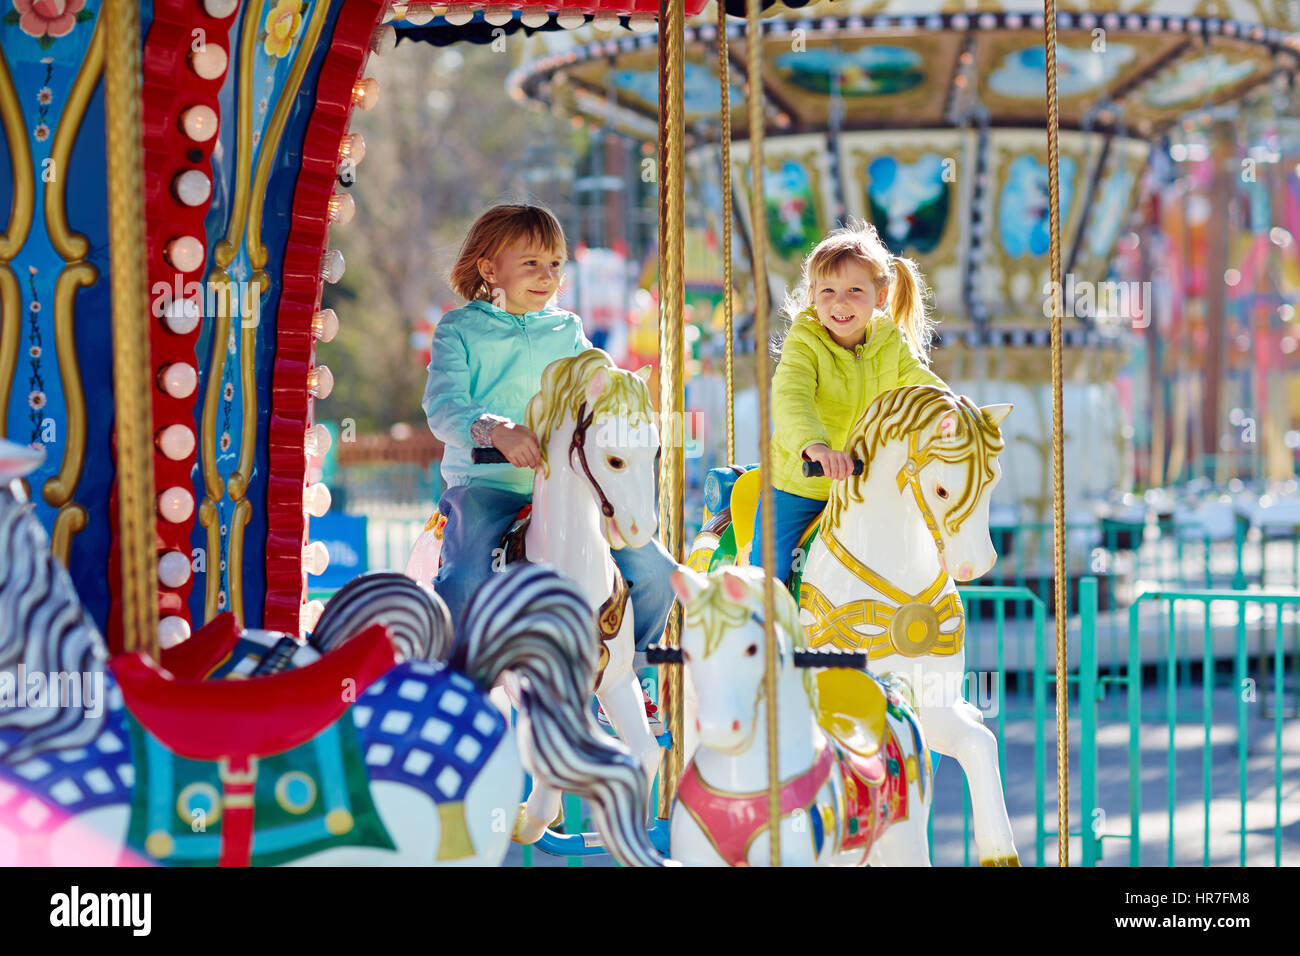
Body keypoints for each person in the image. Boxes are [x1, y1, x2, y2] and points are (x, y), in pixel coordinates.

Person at [422, 204, 675, 703]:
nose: (548, 276)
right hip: (488, 485)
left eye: (556, 264)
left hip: (566, 487)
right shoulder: (460, 330)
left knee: (655, 573)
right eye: (532, 263)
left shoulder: (567, 331)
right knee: (468, 571)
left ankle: (630, 671)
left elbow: (594, 392)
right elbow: (443, 405)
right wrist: (495, 430)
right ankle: (458, 687)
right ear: (489, 268)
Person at [756, 219, 949, 584]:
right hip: (802, 486)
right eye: (827, 290)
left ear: (881, 295)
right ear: (812, 294)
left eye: (854, 290)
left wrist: (954, 410)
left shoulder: (889, 341)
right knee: (770, 571)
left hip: (866, 488)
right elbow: (790, 396)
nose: (839, 303)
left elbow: (918, 382)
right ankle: (762, 627)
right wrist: (816, 448)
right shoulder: (805, 341)